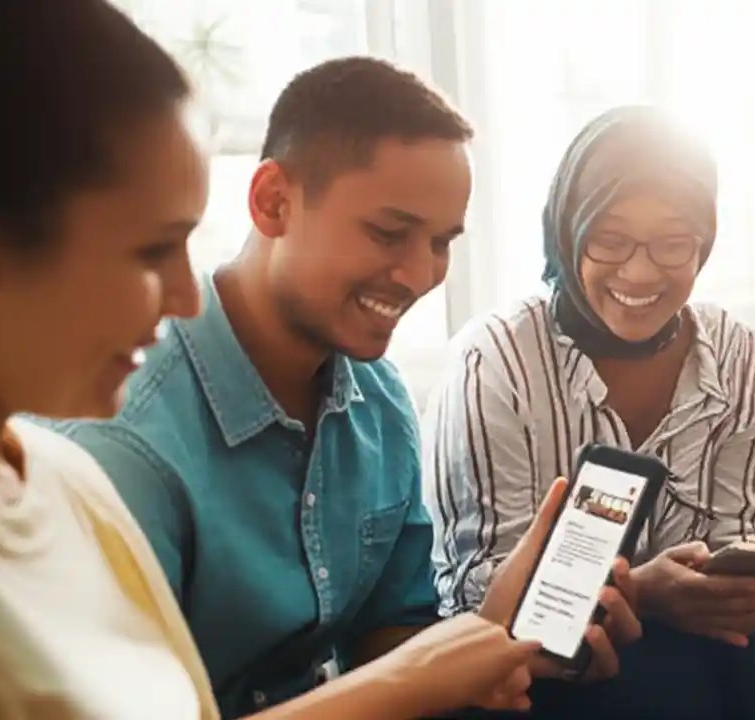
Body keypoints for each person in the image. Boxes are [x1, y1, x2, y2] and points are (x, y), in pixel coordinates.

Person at [44, 50, 636, 719]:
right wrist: (408, 680)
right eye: (389, 233)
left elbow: (391, 641)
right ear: (273, 202)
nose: (419, 275)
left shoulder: (378, 401)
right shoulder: (121, 438)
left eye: (441, 242)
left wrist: (498, 631)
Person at [423, 106, 755, 720]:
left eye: (673, 244)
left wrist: (749, 588)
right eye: (609, 240)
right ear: (567, 231)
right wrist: (640, 591)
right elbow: (477, 595)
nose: (640, 272)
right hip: (547, 657)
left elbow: (737, 530)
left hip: (701, 636)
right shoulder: (497, 361)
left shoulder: (740, 353)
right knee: (664, 684)